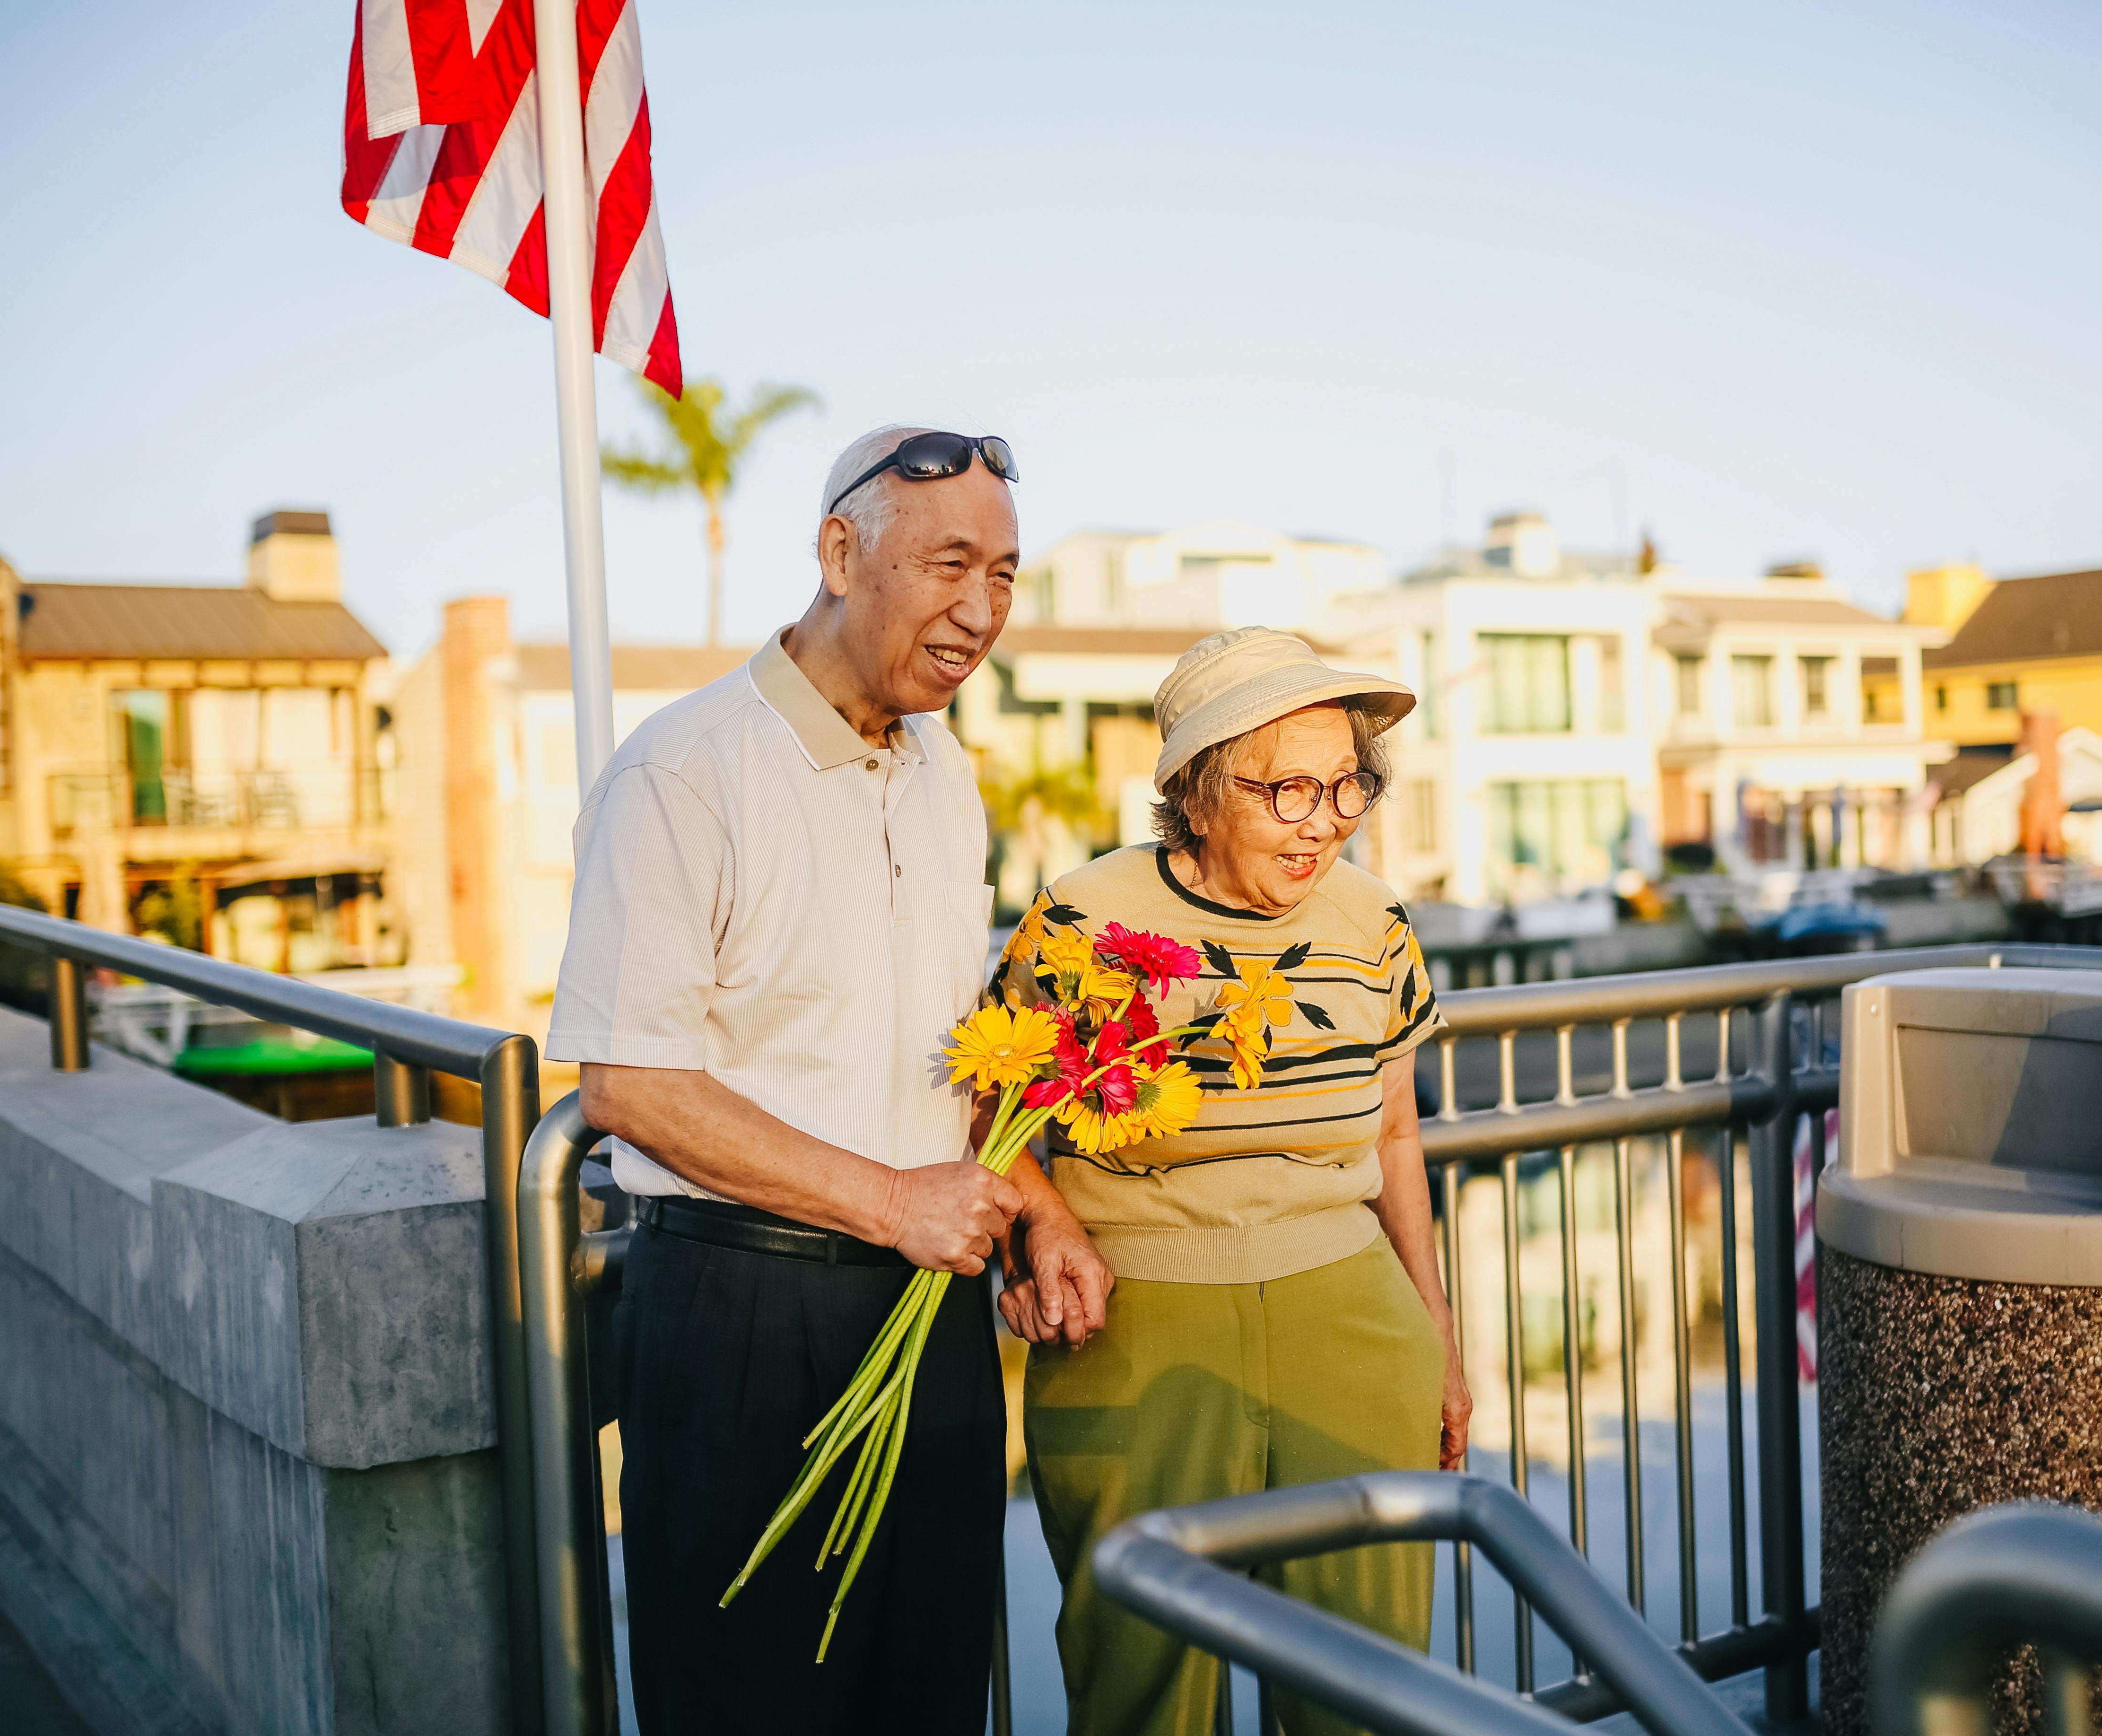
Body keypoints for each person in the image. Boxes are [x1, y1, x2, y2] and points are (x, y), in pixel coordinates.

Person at [548, 426, 1114, 1735]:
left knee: (928, 1697)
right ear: (838, 552)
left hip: (928, 1319)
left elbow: (939, 1046)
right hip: (736, 1315)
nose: (981, 613)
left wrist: (1035, 1204)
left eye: (1009, 576)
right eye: (950, 565)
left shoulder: (948, 772)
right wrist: (891, 1203)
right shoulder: (684, 772)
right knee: (750, 1707)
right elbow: (631, 1084)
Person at [992, 626, 1474, 1736]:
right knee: (1141, 1683)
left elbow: (1395, 1134)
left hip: (1353, 1318)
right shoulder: (1083, 916)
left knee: (1364, 1692)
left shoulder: (1375, 923)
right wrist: (1040, 1233)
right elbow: (990, 1110)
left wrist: (1437, 1336)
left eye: (1347, 783)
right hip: (1135, 1321)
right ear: (1196, 795)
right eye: (1283, 790)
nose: (1324, 820)